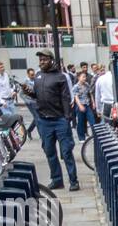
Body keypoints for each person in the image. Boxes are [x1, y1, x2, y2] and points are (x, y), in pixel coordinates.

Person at [21, 50, 78, 191]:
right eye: (40, 60)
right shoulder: (38, 76)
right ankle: (57, 180)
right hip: (44, 121)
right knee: (49, 152)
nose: (41, 62)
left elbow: (65, 98)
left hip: (60, 120)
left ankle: (73, 181)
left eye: (44, 60)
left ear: (51, 60)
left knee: (66, 152)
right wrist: (28, 91)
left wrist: (67, 117)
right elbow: (36, 95)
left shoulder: (60, 77)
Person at [72, 71, 95, 141]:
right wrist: (80, 106)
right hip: (80, 106)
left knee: (92, 121)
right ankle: (81, 137)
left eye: (85, 77)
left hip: (87, 105)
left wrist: (93, 103)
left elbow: (90, 94)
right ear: (79, 78)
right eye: (83, 77)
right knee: (81, 122)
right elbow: (76, 97)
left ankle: (95, 136)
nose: (85, 78)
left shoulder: (87, 84)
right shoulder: (76, 86)